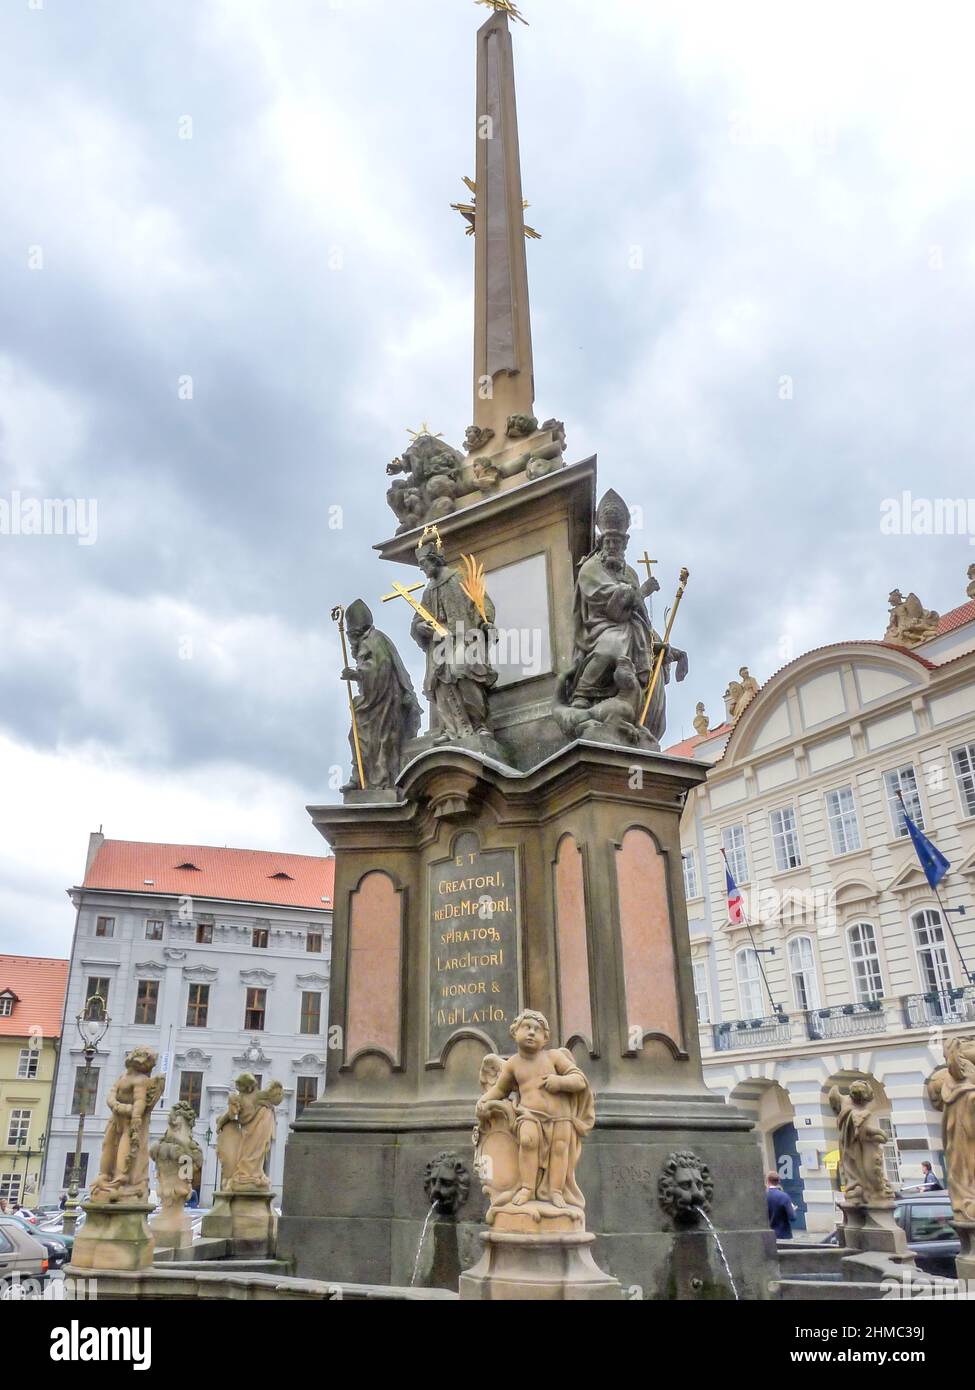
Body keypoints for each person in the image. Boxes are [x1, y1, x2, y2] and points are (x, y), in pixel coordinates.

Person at [766, 1173, 798, 1239]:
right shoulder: (784, 1196)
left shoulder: (763, 1196)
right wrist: (793, 1210)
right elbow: (792, 1217)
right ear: (779, 1181)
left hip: (768, 1236)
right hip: (784, 1234)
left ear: (768, 1181)